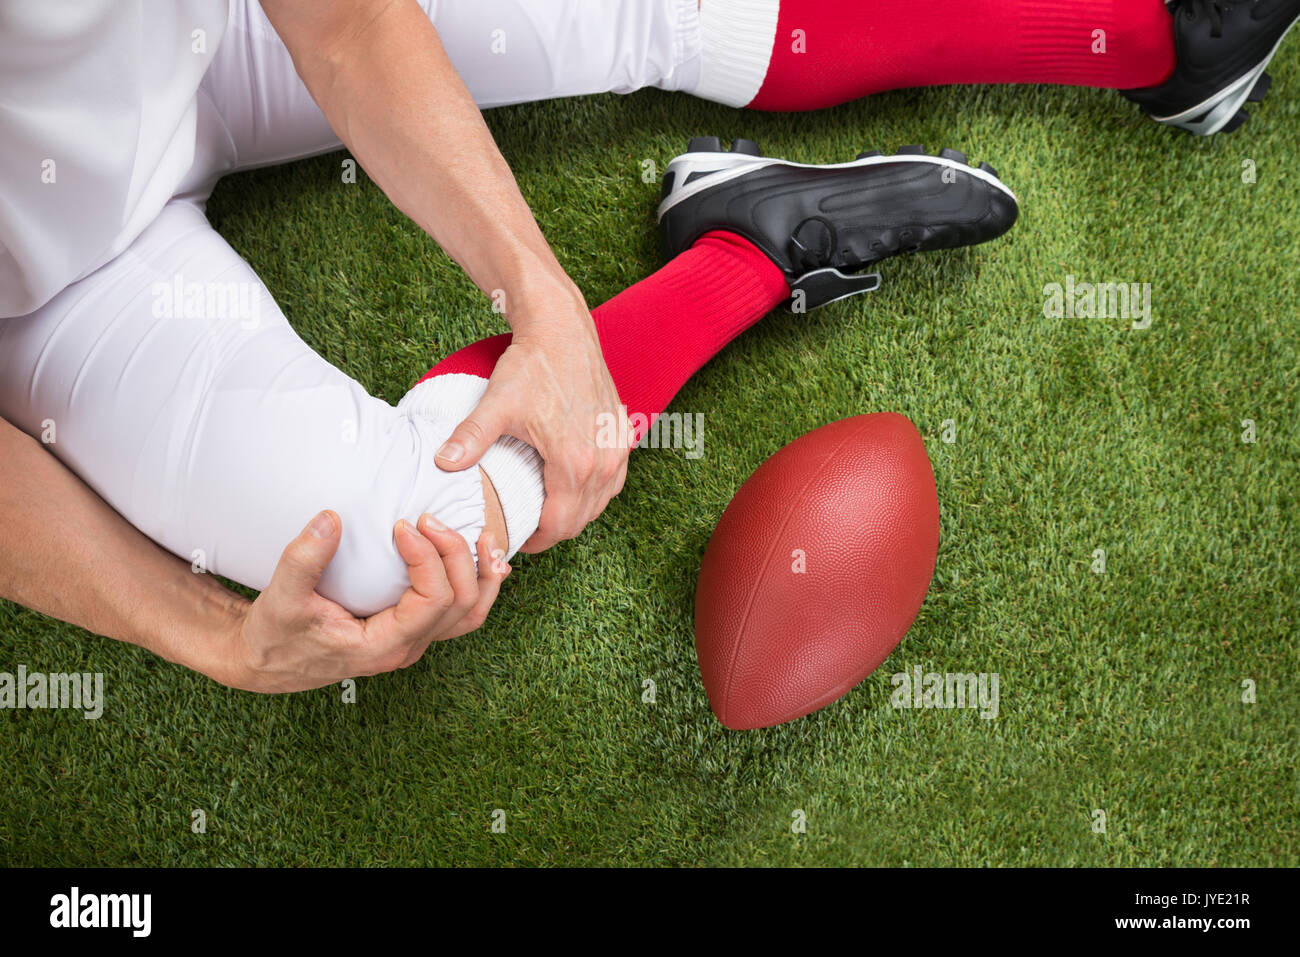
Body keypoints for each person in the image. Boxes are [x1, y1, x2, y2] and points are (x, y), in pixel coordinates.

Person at [1, 0, 1294, 692]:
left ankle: (1151, 39)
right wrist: (209, 635)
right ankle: (753, 246)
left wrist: (537, 289)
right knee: (389, 548)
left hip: (204, 17)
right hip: (61, 289)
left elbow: (341, 23)